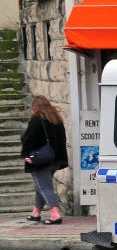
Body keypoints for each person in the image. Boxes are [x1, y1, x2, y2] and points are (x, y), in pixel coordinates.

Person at [20, 95, 69, 224]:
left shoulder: (37, 120)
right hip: (54, 159)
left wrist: (26, 155)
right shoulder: (56, 119)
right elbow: (62, 140)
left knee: (44, 186)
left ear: (35, 107)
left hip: (39, 160)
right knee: (41, 186)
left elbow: (28, 139)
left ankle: (55, 214)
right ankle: (36, 212)